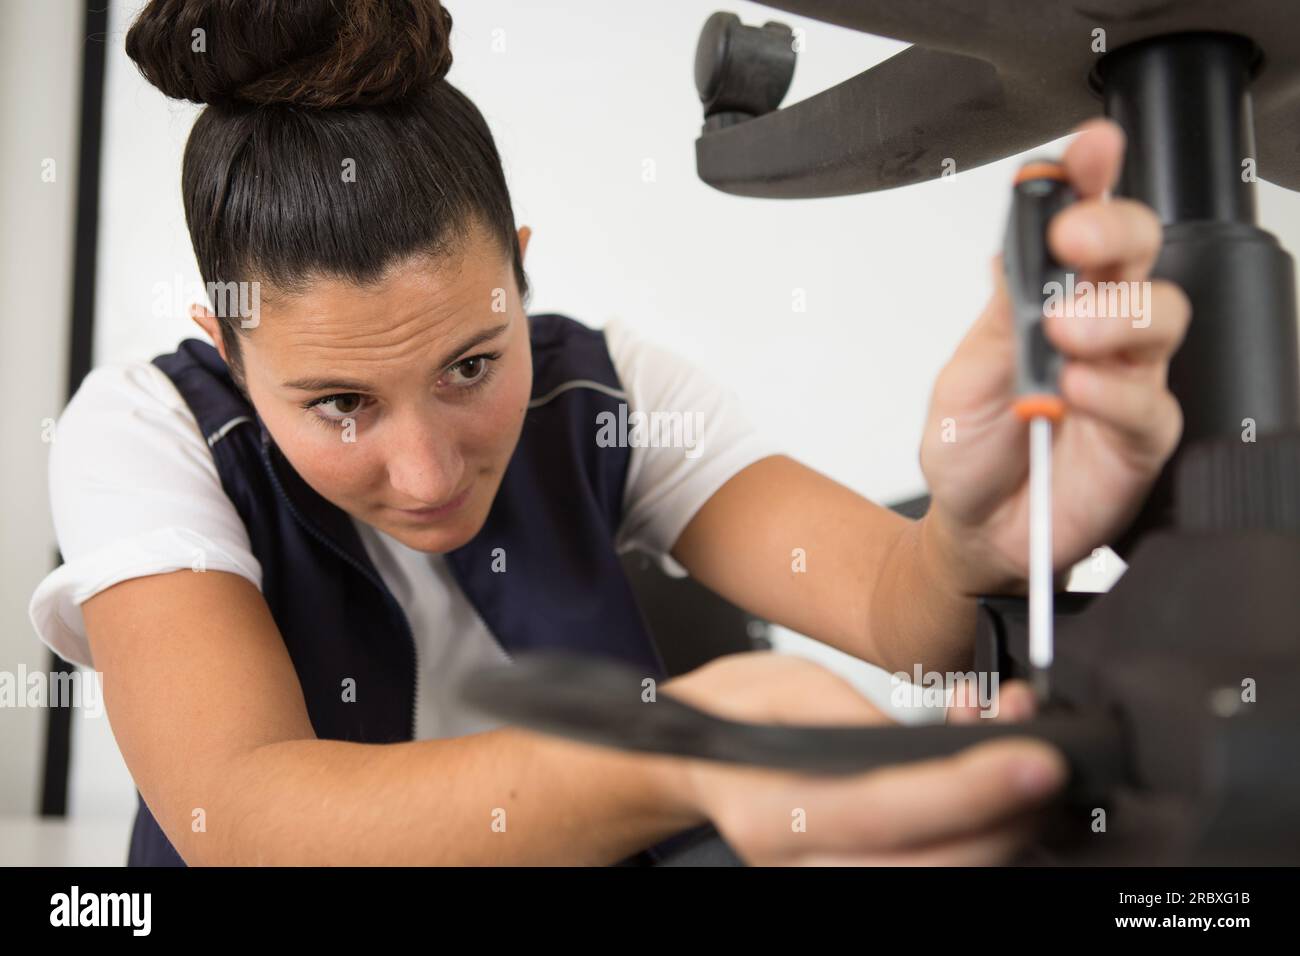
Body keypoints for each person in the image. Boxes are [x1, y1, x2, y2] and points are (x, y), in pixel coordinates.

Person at [29, 0, 1188, 866]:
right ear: (227, 347)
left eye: (473, 365)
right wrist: (695, 741)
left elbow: (904, 611)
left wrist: (972, 538)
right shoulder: (145, 432)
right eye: (340, 404)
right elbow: (233, 815)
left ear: (520, 272)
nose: (429, 472)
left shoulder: (608, 385)